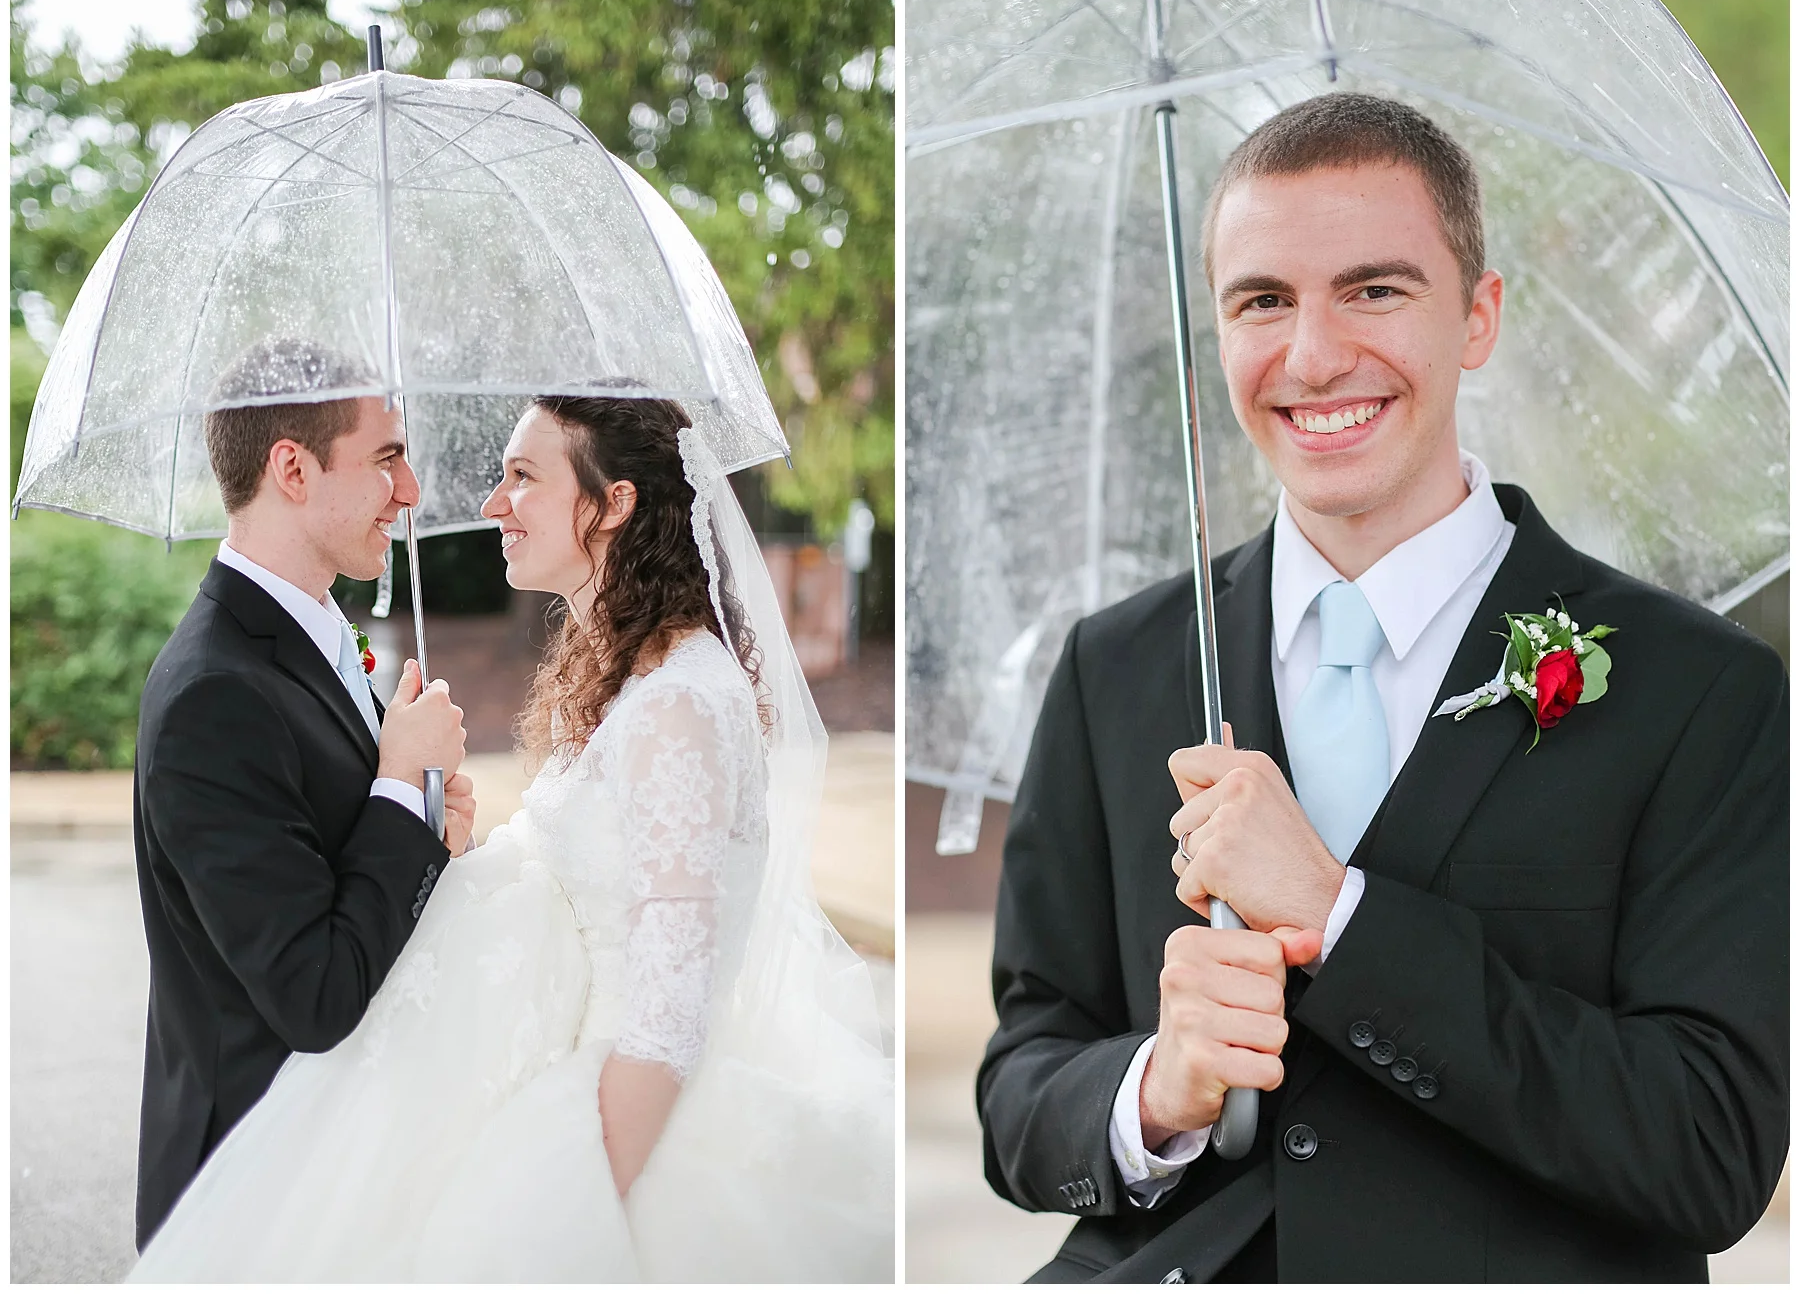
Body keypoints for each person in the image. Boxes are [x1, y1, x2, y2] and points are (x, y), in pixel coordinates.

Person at [979, 93, 1787, 1282]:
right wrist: (1159, 1086)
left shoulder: (1698, 688)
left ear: (1477, 315)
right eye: (1263, 300)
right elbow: (1021, 1084)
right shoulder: (1119, 664)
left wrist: (1340, 915)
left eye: (1373, 289)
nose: (1311, 357)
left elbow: (1710, 1149)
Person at [130, 392, 894, 1281]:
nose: (488, 503)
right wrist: (416, 819)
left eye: (522, 476)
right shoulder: (636, 685)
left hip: (618, 1131)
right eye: (388, 459)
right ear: (293, 470)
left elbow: (668, 1013)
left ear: (613, 505)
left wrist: (565, 1212)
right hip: (493, 1103)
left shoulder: (678, 703)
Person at [132, 337, 472, 1250]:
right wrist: (399, 785)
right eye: (385, 458)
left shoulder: (317, 635)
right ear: (291, 467)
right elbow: (313, 994)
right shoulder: (214, 694)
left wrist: (433, 832)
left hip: (337, 1159)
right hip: (252, 1195)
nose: (408, 493)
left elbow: (336, 859)